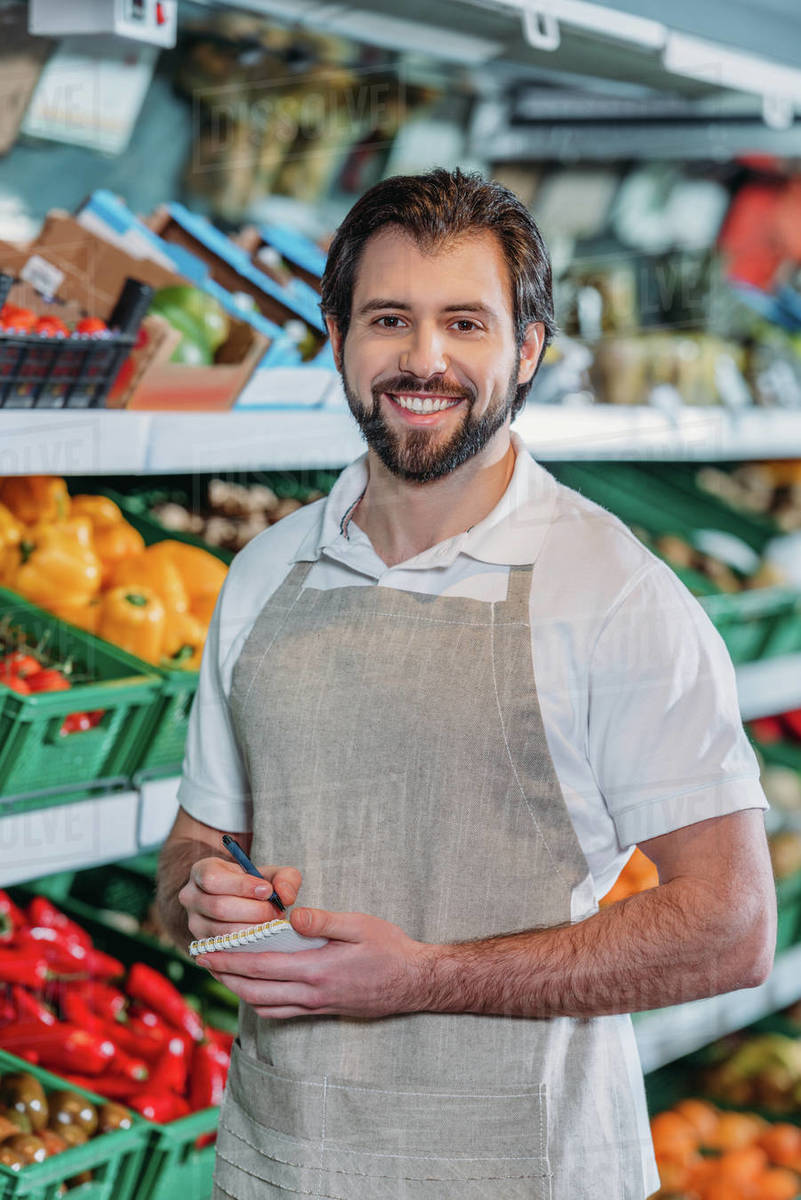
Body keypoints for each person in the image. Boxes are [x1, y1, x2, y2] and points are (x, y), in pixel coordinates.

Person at [156, 167, 777, 1200]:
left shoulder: (611, 591)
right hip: (277, 1163)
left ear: (527, 349)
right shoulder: (265, 573)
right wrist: (201, 894)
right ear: (340, 335)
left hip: (521, 1168)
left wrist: (427, 978)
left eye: (466, 324)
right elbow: (192, 850)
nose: (424, 359)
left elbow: (732, 924)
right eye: (389, 318)